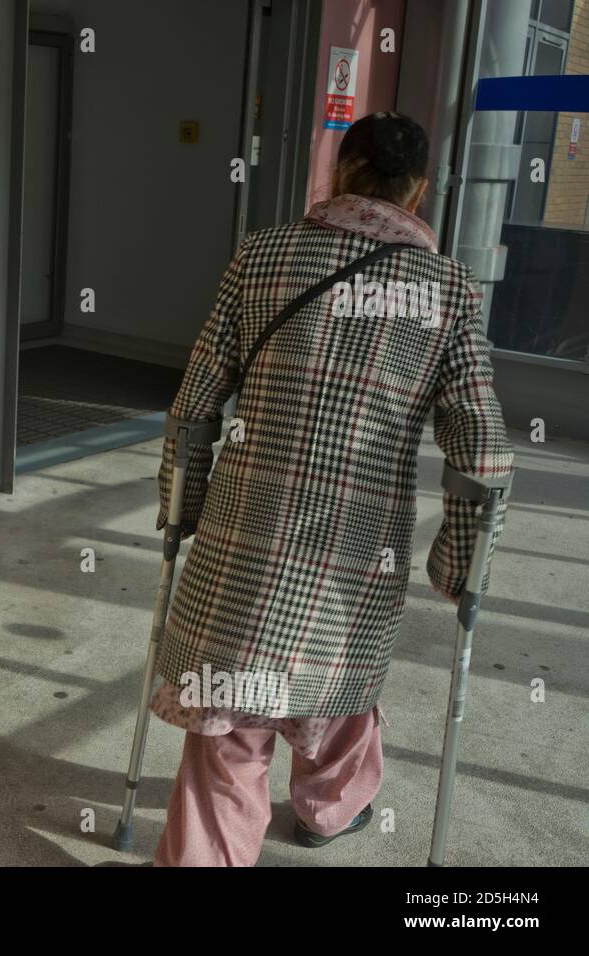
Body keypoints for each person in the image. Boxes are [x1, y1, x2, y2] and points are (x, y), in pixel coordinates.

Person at [148, 112, 514, 866]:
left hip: (245, 540)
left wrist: (179, 512)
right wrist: (459, 568)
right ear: (417, 191)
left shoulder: (264, 255)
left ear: (339, 172)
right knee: (338, 679)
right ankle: (329, 809)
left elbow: (192, 410)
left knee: (235, 708)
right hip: (359, 551)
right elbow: (482, 450)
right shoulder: (447, 287)